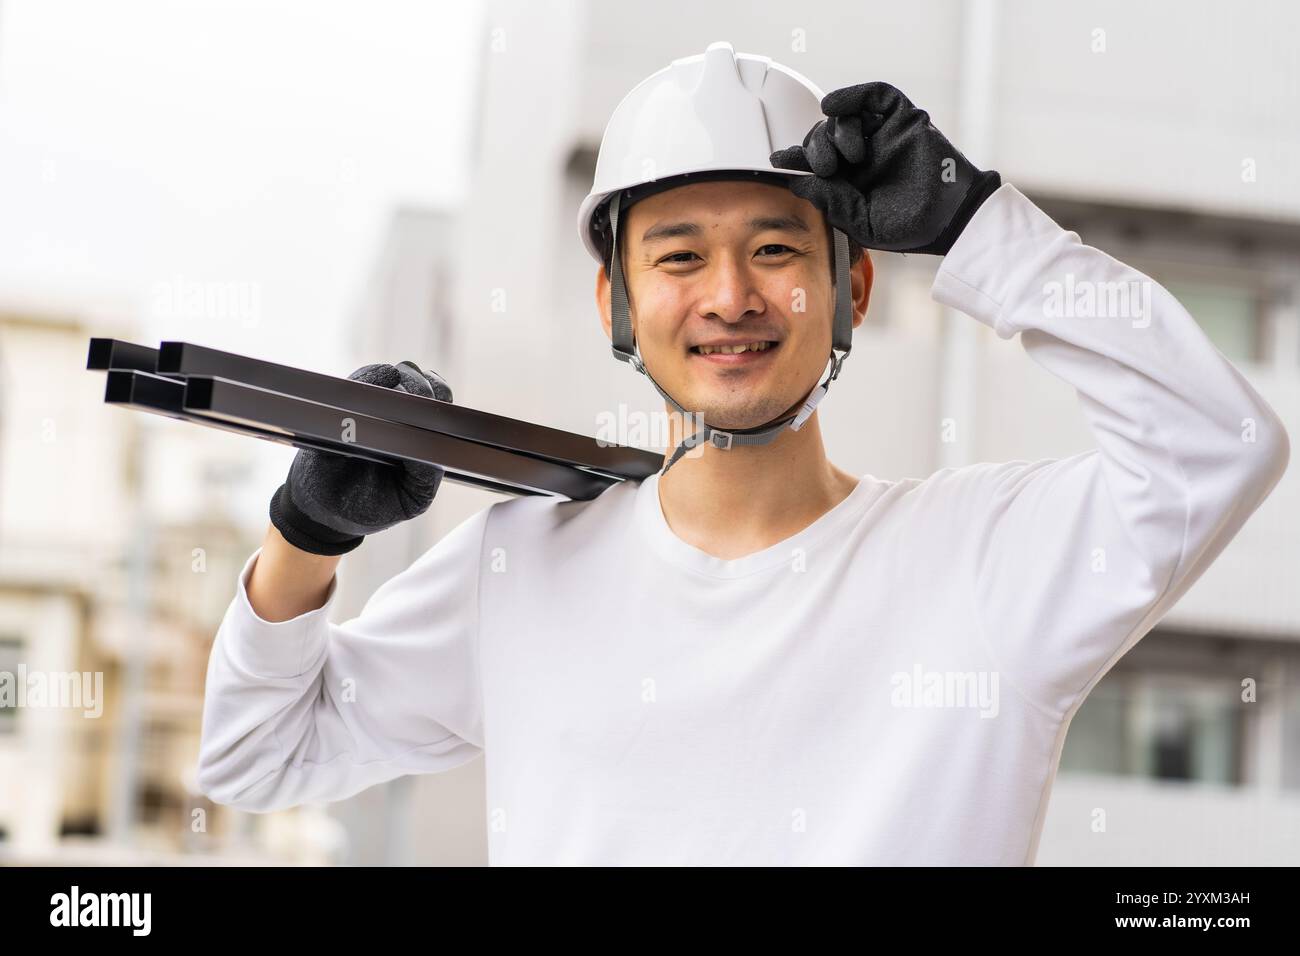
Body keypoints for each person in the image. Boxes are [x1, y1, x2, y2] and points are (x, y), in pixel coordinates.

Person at [196, 42, 1289, 865]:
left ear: (853, 287)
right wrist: (308, 536)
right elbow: (258, 753)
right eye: (678, 256)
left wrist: (975, 225)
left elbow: (1218, 445)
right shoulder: (524, 563)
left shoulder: (983, 562)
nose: (730, 296)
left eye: (775, 249)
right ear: (615, 299)